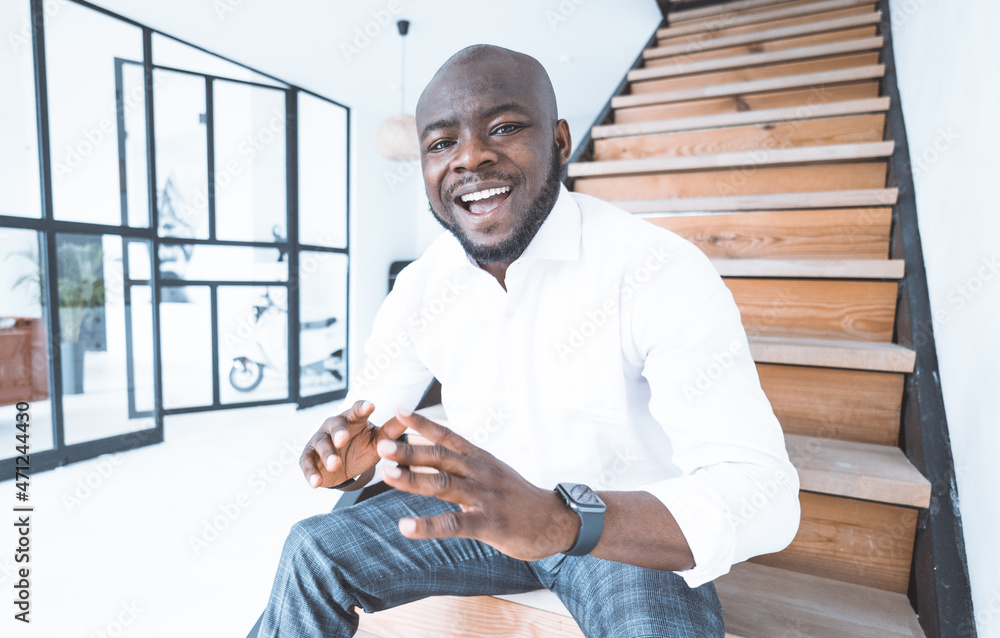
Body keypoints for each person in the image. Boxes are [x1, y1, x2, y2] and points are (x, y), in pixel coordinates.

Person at [258, 44, 800, 638]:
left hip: (614, 527)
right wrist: (348, 464)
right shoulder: (421, 285)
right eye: (441, 143)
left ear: (560, 141)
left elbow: (764, 495)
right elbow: (369, 418)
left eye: (504, 128)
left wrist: (562, 519)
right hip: (478, 511)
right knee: (312, 550)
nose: (470, 157)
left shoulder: (657, 268)